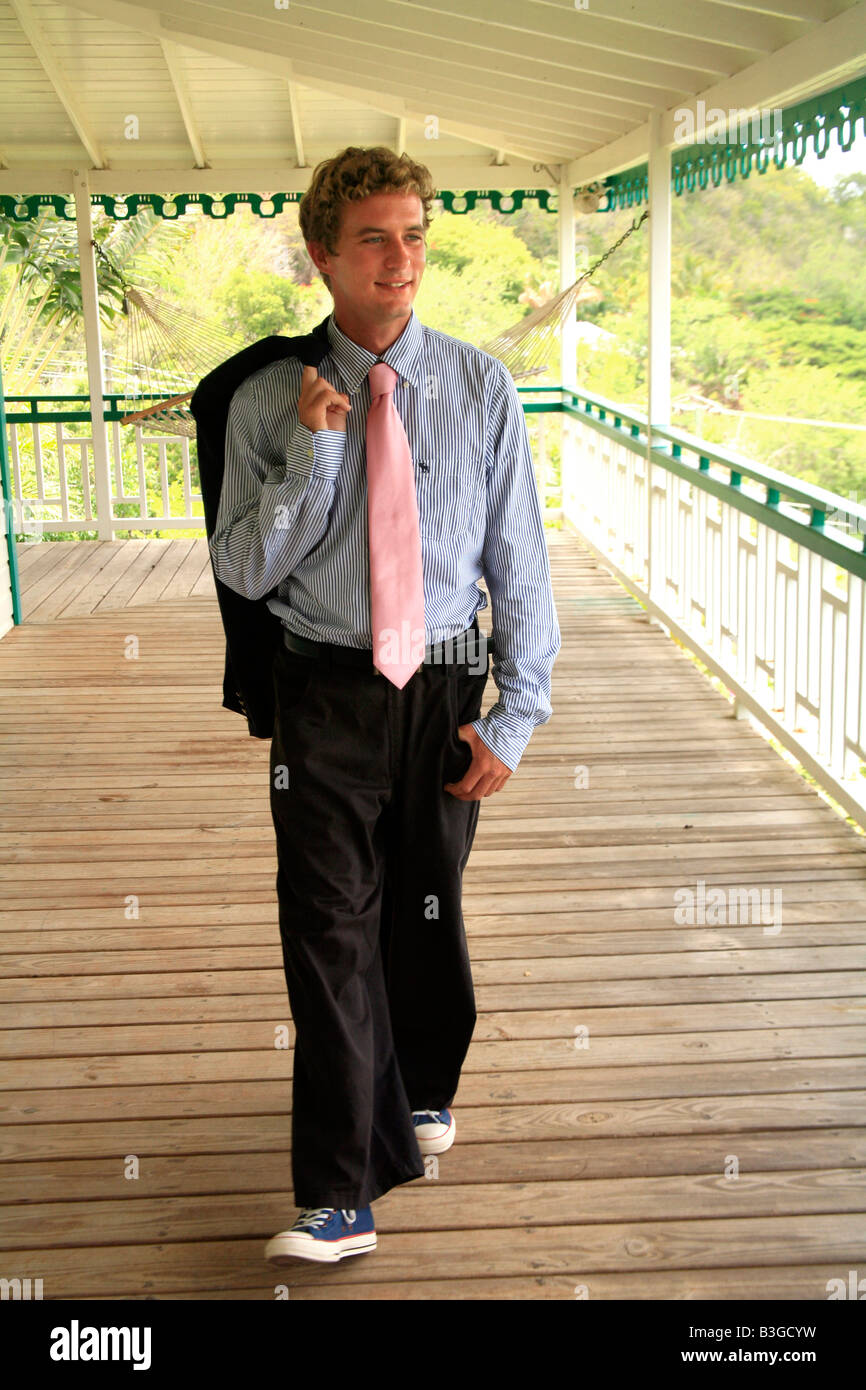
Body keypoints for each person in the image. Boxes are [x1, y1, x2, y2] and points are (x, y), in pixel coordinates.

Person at [208, 145, 561, 1264]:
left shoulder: (478, 385)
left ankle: (419, 1080)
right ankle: (339, 1190)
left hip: (446, 684)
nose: (399, 257)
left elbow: (519, 559)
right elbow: (244, 569)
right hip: (321, 691)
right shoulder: (266, 398)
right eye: (373, 237)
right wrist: (312, 454)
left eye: (413, 234)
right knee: (326, 931)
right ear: (322, 254)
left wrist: (514, 715)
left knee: (423, 906)